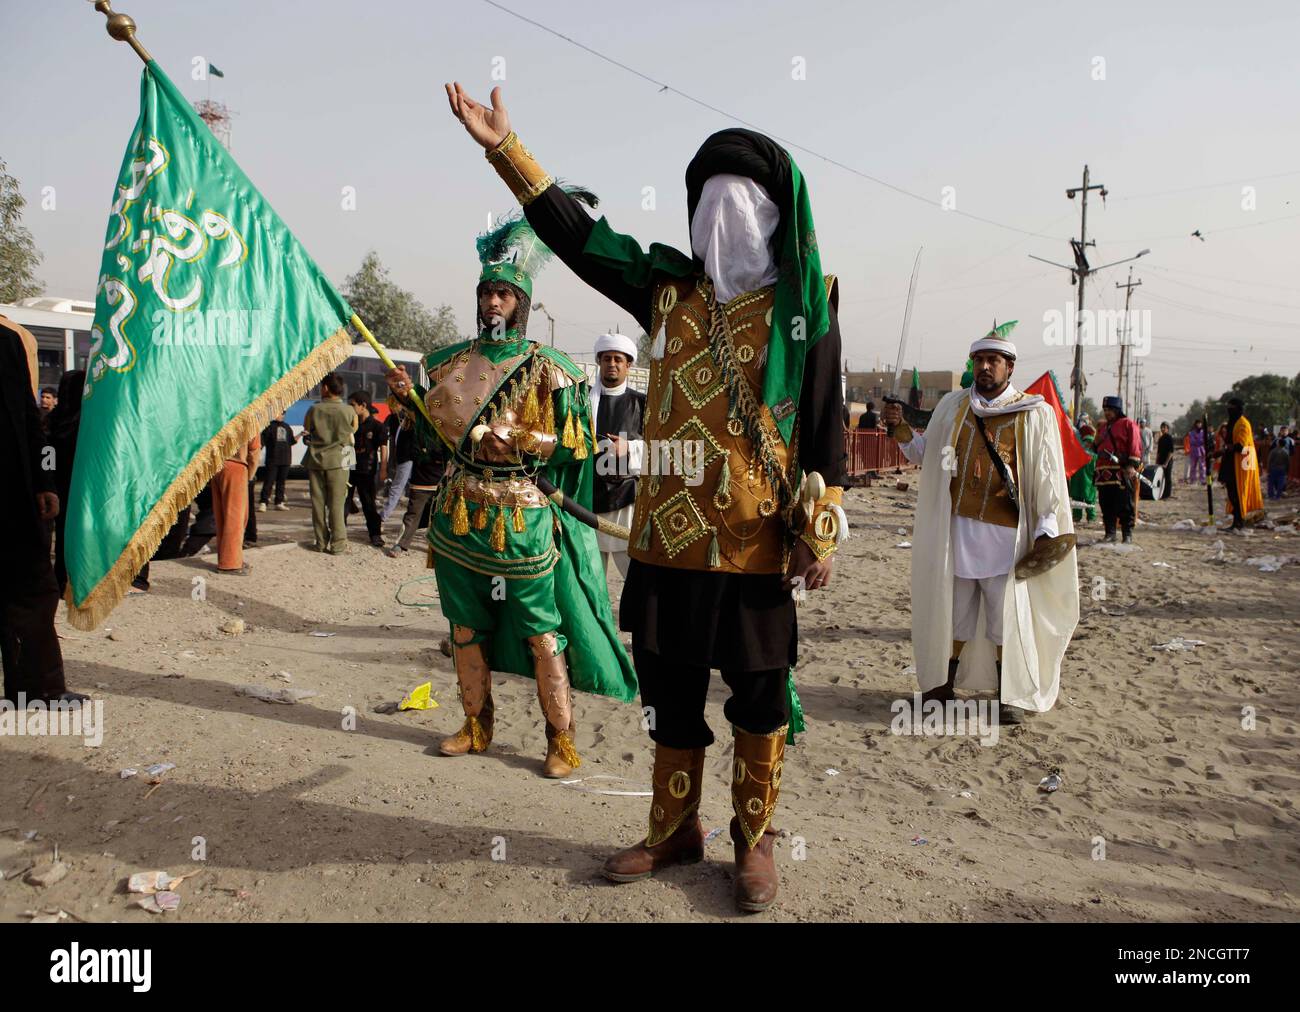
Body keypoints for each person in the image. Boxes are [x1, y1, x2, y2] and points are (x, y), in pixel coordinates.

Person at [444, 82, 847, 912]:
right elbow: (585, 240)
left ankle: (754, 839)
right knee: (667, 691)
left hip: (756, 538)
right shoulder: (667, 289)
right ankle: (674, 830)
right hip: (666, 539)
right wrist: (504, 150)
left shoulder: (807, 307)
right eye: (708, 204)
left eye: (742, 206)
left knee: (760, 692)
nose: (722, 224)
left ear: (776, 216)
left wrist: (822, 530)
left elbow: (824, 422)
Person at [384, 200, 635, 781]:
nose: (492, 301)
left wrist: (518, 435)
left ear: (521, 302)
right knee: (464, 627)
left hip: (522, 519)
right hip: (458, 518)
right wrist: (407, 402)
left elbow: (572, 446)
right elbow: (432, 446)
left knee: (542, 635)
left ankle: (561, 739)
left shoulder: (551, 369)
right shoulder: (447, 364)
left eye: (503, 292)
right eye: (486, 291)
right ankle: (475, 726)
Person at [884, 322, 1078, 726]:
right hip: (957, 533)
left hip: (1007, 538)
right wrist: (899, 428)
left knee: (1005, 617)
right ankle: (941, 687)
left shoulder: (1034, 413)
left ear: (1010, 368)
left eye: (994, 361)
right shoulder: (953, 407)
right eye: (979, 360)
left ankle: (1011, 694)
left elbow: (1045, 478)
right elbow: (926, 455)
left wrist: (1045, 528)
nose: (985, 367)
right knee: (954, 614)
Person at [0, 315, 86, 705]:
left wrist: (42, 482)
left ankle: (39, 689)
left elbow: (27, 419)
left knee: (35, 591)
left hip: (15, 495)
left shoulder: (9, 342)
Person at [590, 332, 646, 582]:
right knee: (591, 578)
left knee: (634, 578)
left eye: (618, 359)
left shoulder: (643, 403)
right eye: (607, 358)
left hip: (626, 500)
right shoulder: (583, 400)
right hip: (587, 501)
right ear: (600, 362)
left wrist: (630, 448)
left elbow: (662, 449)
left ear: (628, 365)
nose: (612, 364)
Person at [383, 403, 447, 557]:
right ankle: (400, 544)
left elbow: (446, 453)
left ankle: (439, 549)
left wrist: (433, 454)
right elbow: (410, 452)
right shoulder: (410, 429)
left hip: (441, 480)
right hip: (421, 481)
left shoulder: (443, 428)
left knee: (440, 517)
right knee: (412, 514)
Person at [303, 373, 356, 553]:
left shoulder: (314, 409)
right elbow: (353, 431)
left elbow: (307, 428)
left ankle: (320, 542)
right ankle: (338, 544)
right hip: (340, 461)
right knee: (337, 504)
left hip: (316, 460)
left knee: (318, 503)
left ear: (326, 388)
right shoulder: (349, 410)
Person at [1094, 396, 1142, 543]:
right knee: (1105, 503)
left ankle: (1127, 534)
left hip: (1120, 470)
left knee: (1124, 504)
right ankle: (1110, 533)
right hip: (1103, 472)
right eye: (1105, 410)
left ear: (1117, 410)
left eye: (1110, 410)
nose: (1107, 413)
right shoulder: (1102, 427)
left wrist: (1131, 465)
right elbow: (1095, 447)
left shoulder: (1128, 424)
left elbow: (1135, 444)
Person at [1212, 398, 1265, 529]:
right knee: (1232, 493)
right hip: (1232, 462)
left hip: (1241, 464)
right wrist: (1220, 452)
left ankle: (1239, 522)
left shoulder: (1243, 424)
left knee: (1238, 493)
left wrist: (1221, 451)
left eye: (1231, 407)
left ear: (1238, 409)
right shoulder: (1233, 423)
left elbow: (1240, 446)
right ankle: (1236, 521)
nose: (1229, 409)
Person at [211, 433, 260, 573]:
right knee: (236, 519)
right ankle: (230, 564)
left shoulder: (220, 414)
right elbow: (254, 450)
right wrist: (249, 475)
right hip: (237, 468)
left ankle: (226, 559)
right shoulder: (248, 417)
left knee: (221, 517)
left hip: (217, 467)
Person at [346, 392, 387, 547]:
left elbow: (383, 448)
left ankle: (375, 534)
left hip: (367, 470)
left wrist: (383, 468)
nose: (350, 408)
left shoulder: (377, 426)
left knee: (369, 504)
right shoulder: (350, 425)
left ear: (363, 406)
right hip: (350, 469)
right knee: (344, 502)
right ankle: (339, 535)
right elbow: (346, 446)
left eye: (352, 405)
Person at [380, 404, 416, 524]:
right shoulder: (393, 419)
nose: (392, 407)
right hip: (399, 457)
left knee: (397, 487)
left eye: (394, 403)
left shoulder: (411, 421)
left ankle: (382, 517)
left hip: (408, 458)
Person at [258, 412, 295, 511]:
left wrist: (300, 434)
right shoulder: (269, 427)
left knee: (281, 482)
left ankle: (279, 502)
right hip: (272, 459)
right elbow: (262, 442)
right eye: (279, 414)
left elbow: (292, 441)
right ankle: (263, 502)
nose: (281, 416)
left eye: (283, 414)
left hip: (286, 459)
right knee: (269, 481)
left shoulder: (287, 427)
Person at [1070, 426, 1098, 523]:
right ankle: (1078, 517)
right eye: (1086, 442)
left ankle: (1091, 517)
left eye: (1089, 442)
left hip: (1088, 481)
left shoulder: (1093, 456)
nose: (1087, 444)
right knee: (1078, 499)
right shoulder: (1078, 454)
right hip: (1079, 481)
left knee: (1089, 500)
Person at [1156, 421, 1175, 500]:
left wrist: (1166, 463)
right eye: (1162, 427)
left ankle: (1167, 495)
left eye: (1164, 427)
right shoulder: (1161, 439)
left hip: (1168, 461)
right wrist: (1157, 461)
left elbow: (1171, 452)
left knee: (1168, 478)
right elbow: (1159, 452)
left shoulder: (1169, 438)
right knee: (1160, 477)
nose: (1163, 429)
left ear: (1167, 429)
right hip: (1161, 460)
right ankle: (1162, 493)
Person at [1186, 419, 1207, 485]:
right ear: (1195, 424)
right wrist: (1199, 441)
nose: (1199, 425)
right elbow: (1192, 441)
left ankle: (1202, 480)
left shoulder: (1204, 432)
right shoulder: (1191, 433)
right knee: (1193, 466)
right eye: (1198, 423)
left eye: (1200, 423)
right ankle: (1193, 480)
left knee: (1202, 466)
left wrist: (1199, 441)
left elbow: (1204, 441)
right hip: (1194, 451)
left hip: (1201, 451)